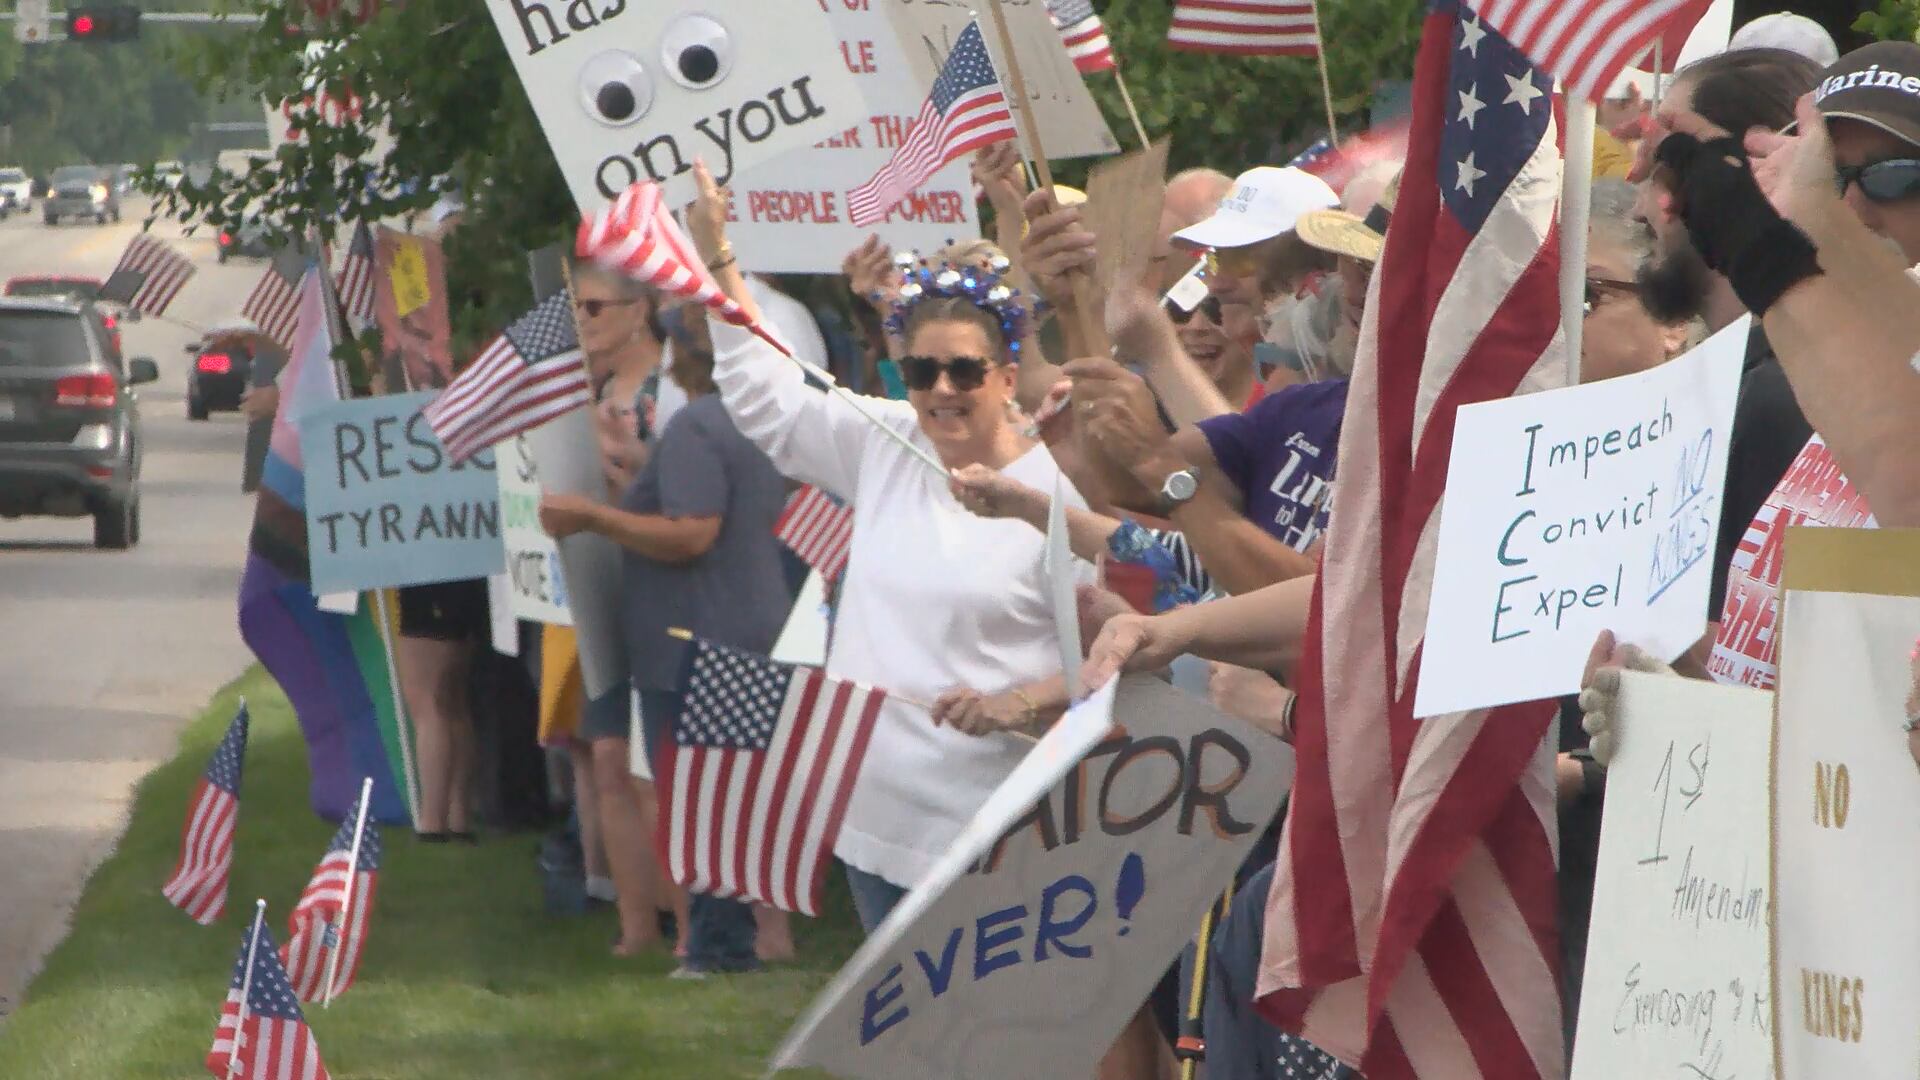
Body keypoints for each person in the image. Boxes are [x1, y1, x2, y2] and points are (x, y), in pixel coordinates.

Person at [683, 161, 1084, 933]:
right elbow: (765, 396)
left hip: (1005, 828)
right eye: (921, 369)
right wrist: (717, 256)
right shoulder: (888, 440)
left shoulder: (1063, 489)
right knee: (909, 1053)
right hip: (873, 821)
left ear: (1007, 377)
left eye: (964, 369)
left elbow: (1124, 660)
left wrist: (1018, 702)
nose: (940, 388)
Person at [539, 302, 791, 977]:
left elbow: (693, 529)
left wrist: (592, 514)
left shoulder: (699, 425)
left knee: (700, 799)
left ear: (685, 353)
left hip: (694, 636)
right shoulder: (763, 419)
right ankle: (750, 940)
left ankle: (717, 949)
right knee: (734, 798)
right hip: (751, 622)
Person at [556, 256, 680, 956]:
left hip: (662, 588)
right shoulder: (586, 388)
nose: (583, 321)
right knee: (606, 754)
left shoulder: (675, 390)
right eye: (579, 307)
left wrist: (625, 468)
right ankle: (635, 929)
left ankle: (679, 915)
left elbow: (691, 497)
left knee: (651, 765)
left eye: (596, 307)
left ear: (641, 309)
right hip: (603, 589)